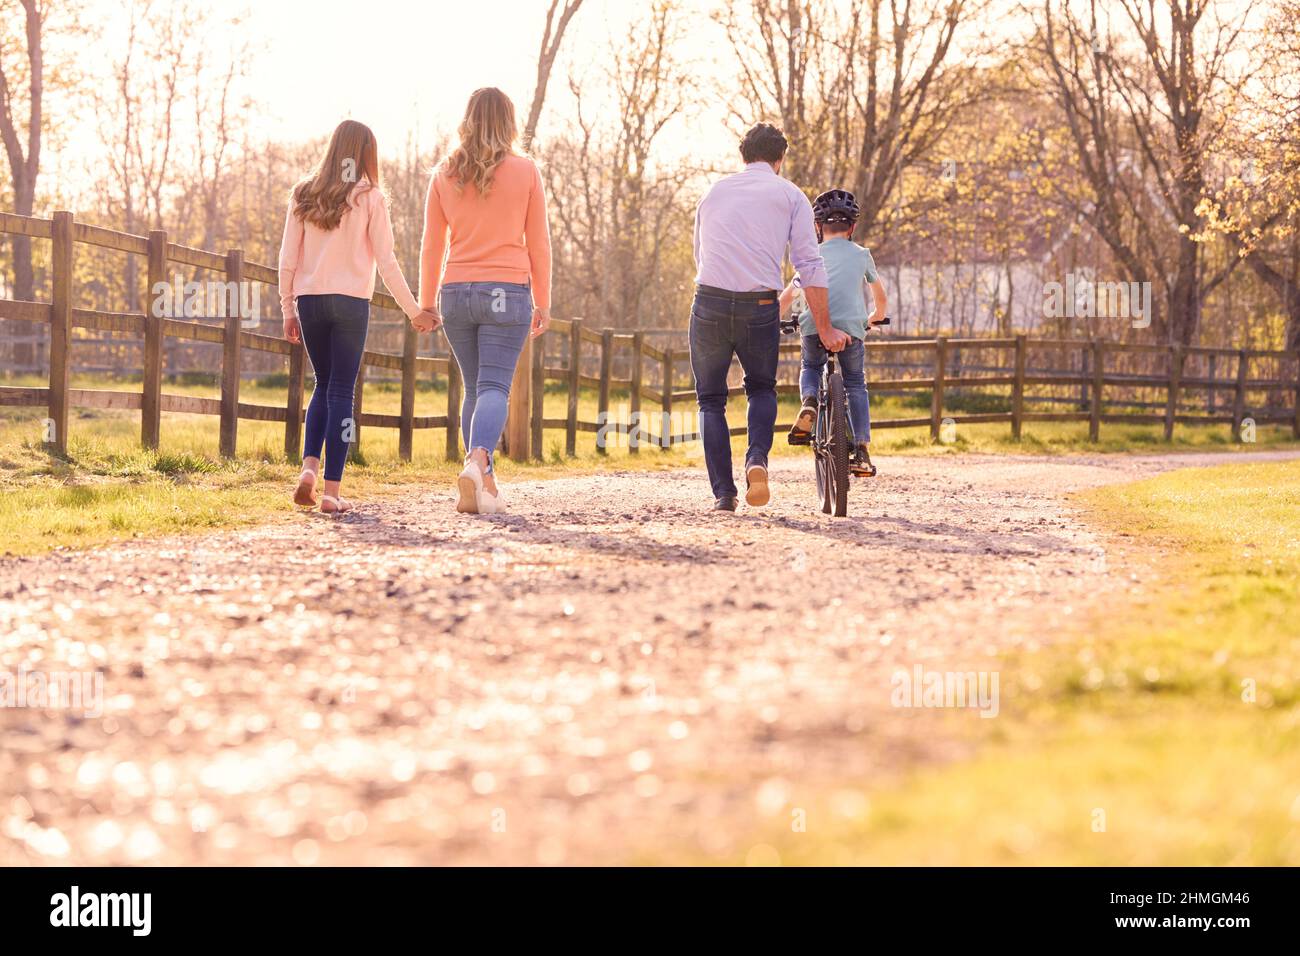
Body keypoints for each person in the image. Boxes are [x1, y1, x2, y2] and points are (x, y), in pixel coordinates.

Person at [279, 119, 435, 514]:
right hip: (350, 304)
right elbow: (387, 262)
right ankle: (331, 493)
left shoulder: (304, 193)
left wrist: (287, 308)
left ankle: (309, 470)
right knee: (341, 391)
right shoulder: (370, 198)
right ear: (366, 153)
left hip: (310, 302)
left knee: (322, 384)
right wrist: (414, 311)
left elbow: (287, 260)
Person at [690, 123, 848, 512]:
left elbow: (700, 255)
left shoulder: (713, 192)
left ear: (743, 156)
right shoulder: (790, 195)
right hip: (759, 305)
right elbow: (809, 265)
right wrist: (824, 328)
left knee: (711, 400)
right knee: (760, 389)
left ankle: (723, 495)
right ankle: (756, 461)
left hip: (708, 300)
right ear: (780, 159)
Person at [416, 87, 552, 515]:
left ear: (468, 119)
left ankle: (482, 484)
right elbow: (539, 243)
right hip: (506, 290)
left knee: (474, 387)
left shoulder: (444, 173)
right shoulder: (525, 171)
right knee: (495, 386)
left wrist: (425, 301)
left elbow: (431, 246)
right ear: (509, 122)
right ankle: (477, 461)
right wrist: (543, 300)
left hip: (455, 292)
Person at [781, 188, 888, 476]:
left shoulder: (811, 255)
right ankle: (862, 450)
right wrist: (874, 319)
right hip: (853, 329)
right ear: (852, 227)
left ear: (817, 227)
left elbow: (787, 297)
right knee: (855, 382)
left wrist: (774, 322)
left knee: (811, 365)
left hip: (814, 326)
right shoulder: (862, 254)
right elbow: (881, 300)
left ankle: (810, 402)